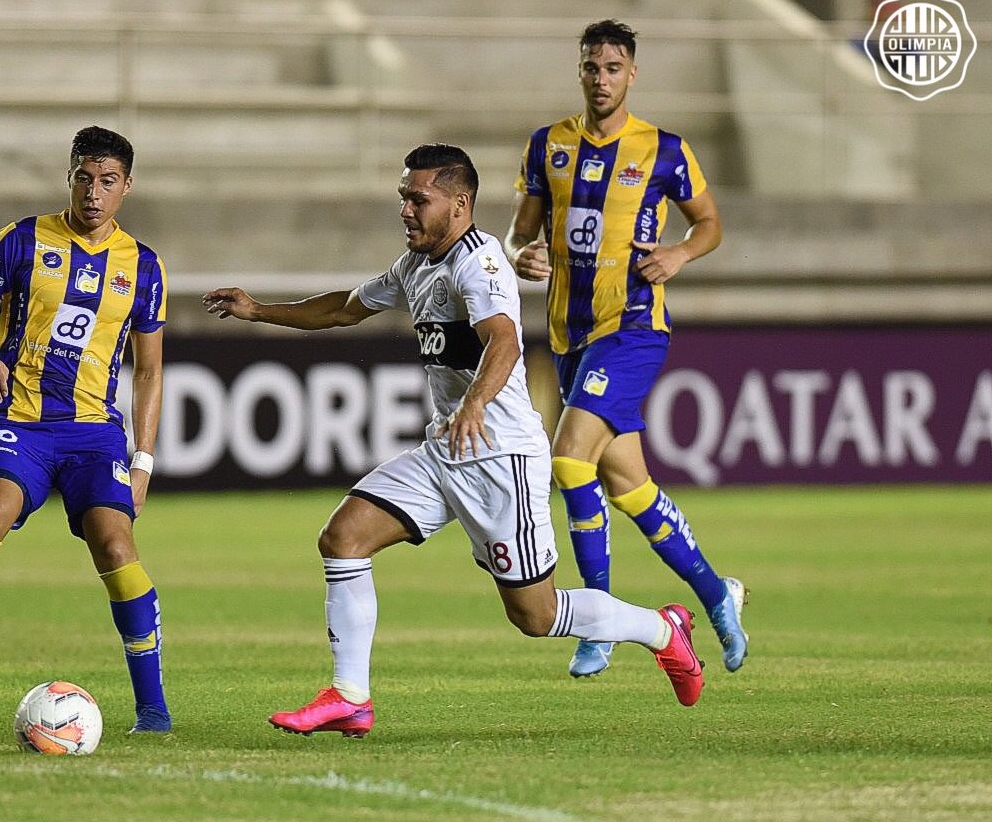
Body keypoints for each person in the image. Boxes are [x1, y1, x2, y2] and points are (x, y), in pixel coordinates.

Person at [203, 143, 705, 738]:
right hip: (446, 451)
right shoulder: (416, 264)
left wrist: (473, 404)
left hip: (501, 458)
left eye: (419, 199)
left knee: (537, 617)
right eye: (403, 199)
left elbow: (504, 341)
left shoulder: (480, 261)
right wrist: (260, 310)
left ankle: (662, 630)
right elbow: (344, 309)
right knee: (343, 538)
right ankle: (349, 697)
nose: (407, 210)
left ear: (460, 204)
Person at [0, 126, 172, 734]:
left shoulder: (144, 266)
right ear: (69, 176)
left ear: (127, 187)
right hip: (20, 420)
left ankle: (152, 708)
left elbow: (149, 371)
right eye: (84, 178)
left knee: (117, 547)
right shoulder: (23, 240)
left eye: (108, 181)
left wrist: (144, 460)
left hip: (95, 433)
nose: (94, 193)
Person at [504, 19, 748, 679]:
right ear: (579, 71)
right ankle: (718, 596)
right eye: (591, 67)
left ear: (631, 74)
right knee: (630, 487)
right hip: (568, 335)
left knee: (567, 458)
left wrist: (679, 253)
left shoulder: (664, 149)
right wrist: (521, 255)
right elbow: (519, 232)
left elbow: (710, 224)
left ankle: (601, 624)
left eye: (613, 68)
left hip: (634, 327)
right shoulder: (546, 145)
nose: (601, 78)